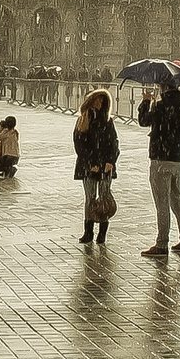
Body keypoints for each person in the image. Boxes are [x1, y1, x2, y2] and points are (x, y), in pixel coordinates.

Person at [137, 76, 180, 256]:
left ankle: (162, 243)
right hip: (177, 158)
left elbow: (143, 121)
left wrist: (146, 102)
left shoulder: (161, 106)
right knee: (177, 200)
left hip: (160, 158)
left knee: (162, 202)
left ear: (163, 88)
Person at [73, 89, 119, 244]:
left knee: (105, 196)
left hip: (105, 165)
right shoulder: (83, 120)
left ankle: (102, 232)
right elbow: (80, 145)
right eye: (97, 100)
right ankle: (88, 231)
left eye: (102, 101)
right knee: (90, 198)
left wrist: (110, 161)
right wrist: (91, 163)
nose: (99, 104)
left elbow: (113, 143)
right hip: (89, 166)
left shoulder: (108, 121)